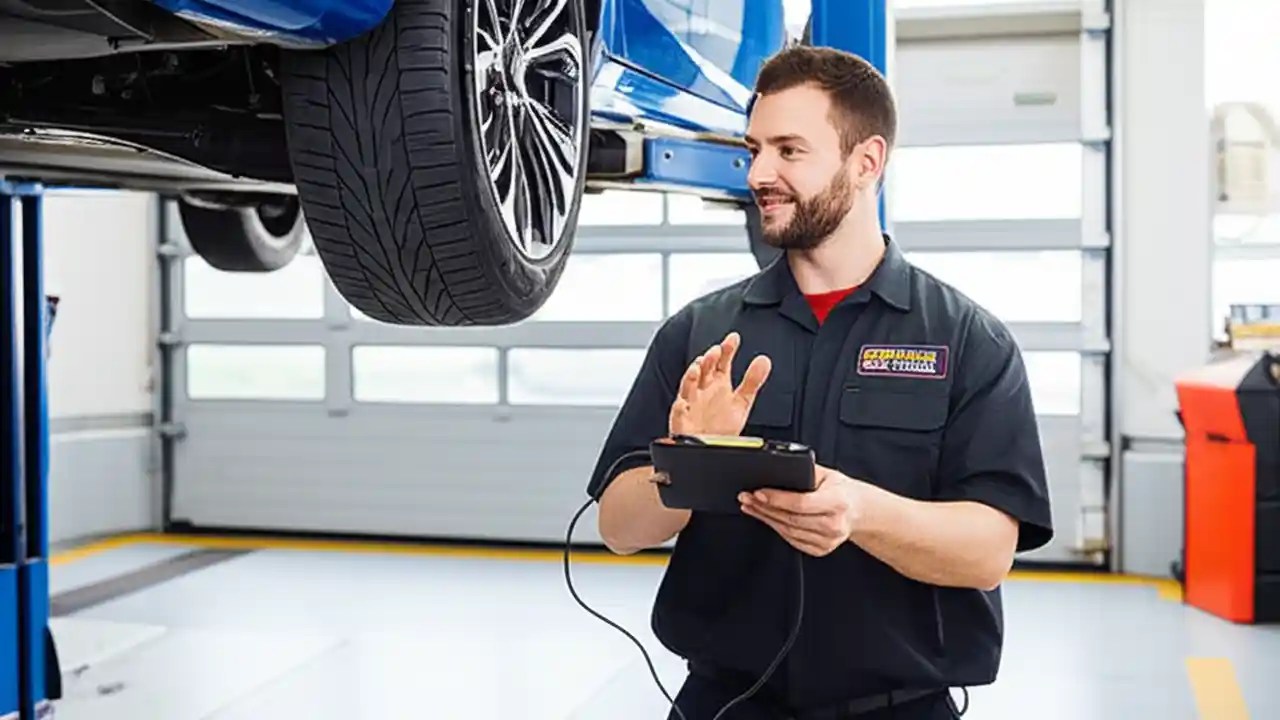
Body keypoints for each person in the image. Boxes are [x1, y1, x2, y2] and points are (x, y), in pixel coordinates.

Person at [585, 45, 1054, 720]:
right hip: (726, 703)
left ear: (866, 163)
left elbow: (986, 553)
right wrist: (687, 464)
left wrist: (859, 512)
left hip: (899, 708)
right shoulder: (702, 335)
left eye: (788, 150)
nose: (758, 173)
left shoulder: (966, 341)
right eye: (754, 149)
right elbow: (619, 527)